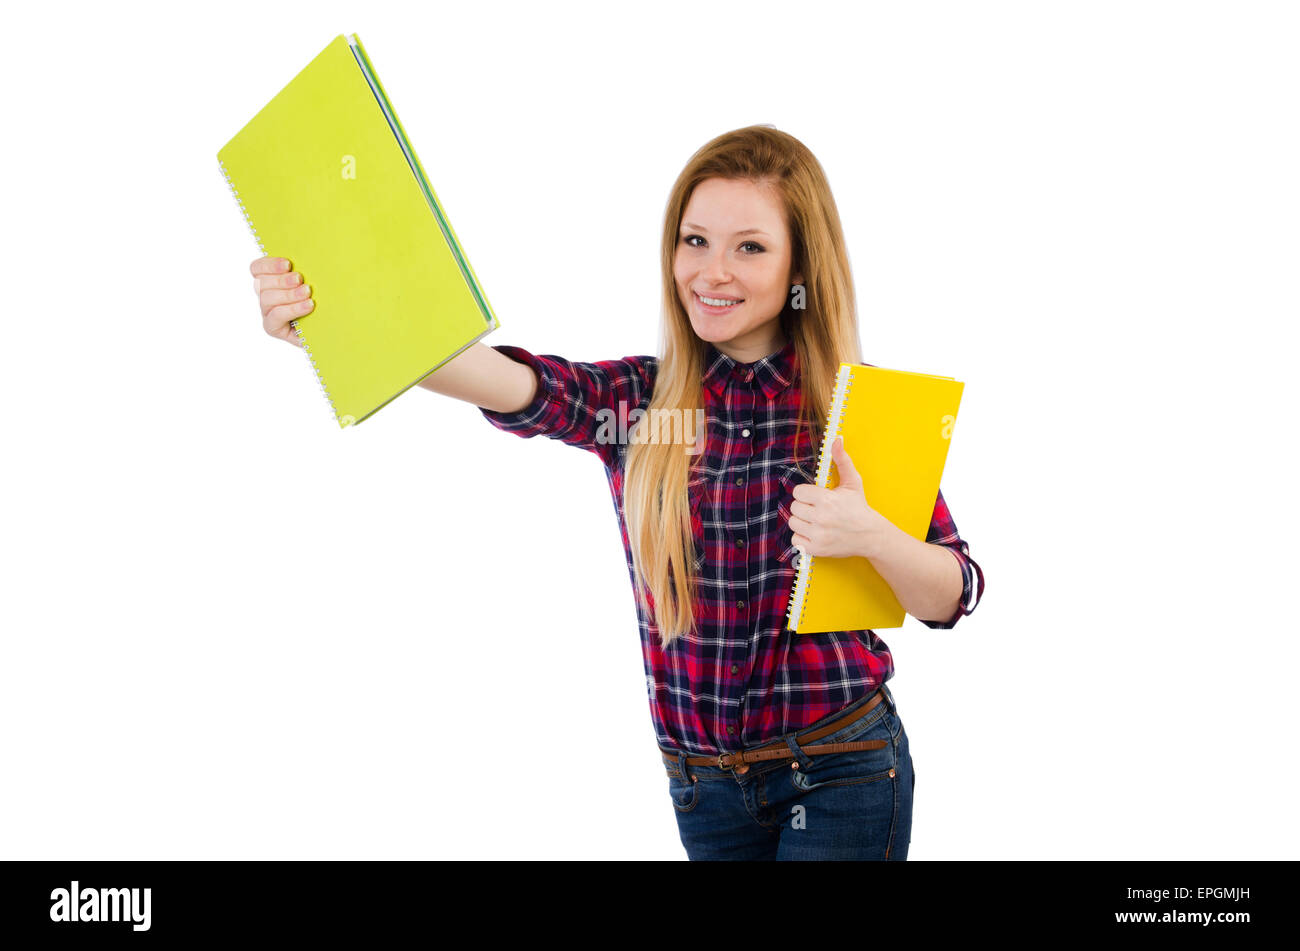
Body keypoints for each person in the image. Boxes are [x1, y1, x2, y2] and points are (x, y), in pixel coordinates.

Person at [248, 124, 985, 860]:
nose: (712, 271)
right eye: (694, 240)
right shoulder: (638, 403)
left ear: (800, 263)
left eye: (750, 247)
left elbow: (954, 592)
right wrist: (335, 323)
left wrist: (871, 536)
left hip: (840, 771)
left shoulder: (854, 413)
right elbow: (516, 383)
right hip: (703, 787)